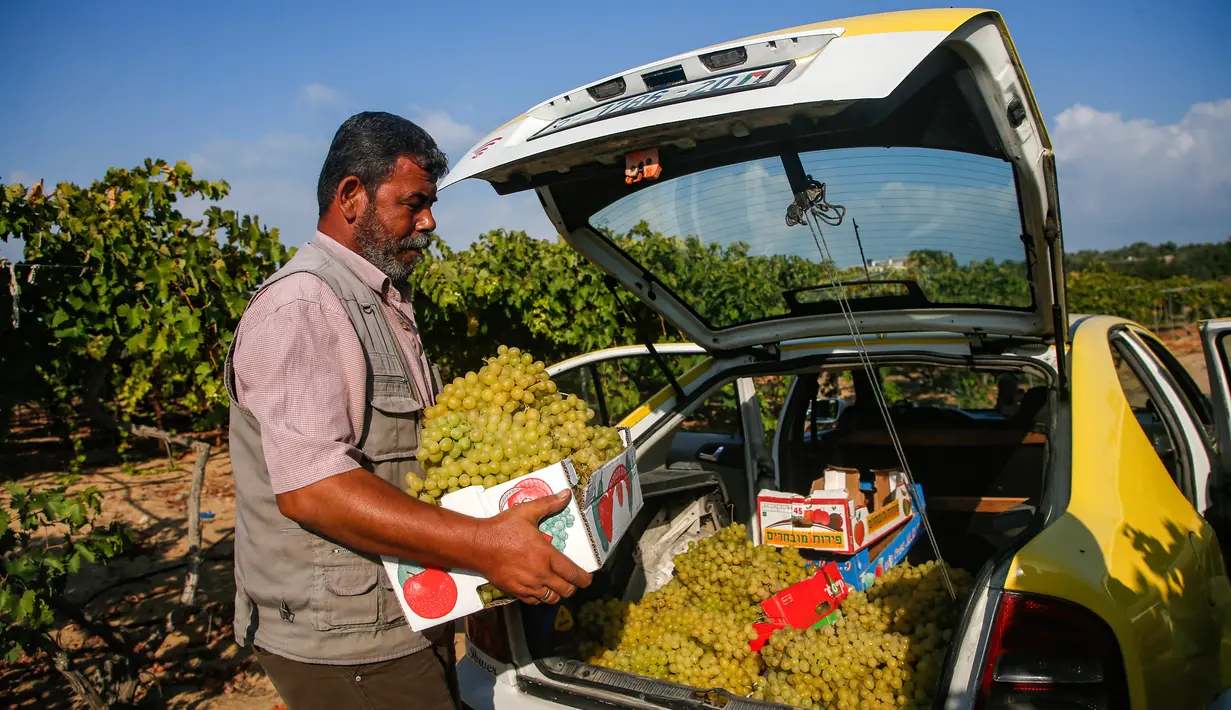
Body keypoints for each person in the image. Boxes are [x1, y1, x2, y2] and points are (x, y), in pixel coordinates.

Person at [224, 111, 591, 710]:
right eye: (413, 203)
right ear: (351, 196)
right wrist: (482, 544)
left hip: (391, 616)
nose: (430, 221)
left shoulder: (378, 301)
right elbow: (313, 491)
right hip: (346, 643)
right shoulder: (304, 306)